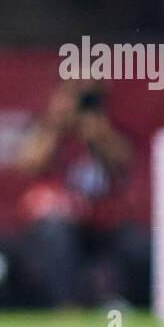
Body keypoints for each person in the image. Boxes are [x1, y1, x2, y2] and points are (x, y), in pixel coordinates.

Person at [16, 77, 149, 308]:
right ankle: (66, 306)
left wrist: (98, 132)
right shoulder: (47, 128)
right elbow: (29, 163)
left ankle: (127, 303)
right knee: (53, 233)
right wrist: (56, 123)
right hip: (63, 221)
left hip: (104, 222)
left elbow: (123, 161)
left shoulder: (110, 127)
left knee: (139, 245)